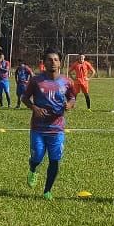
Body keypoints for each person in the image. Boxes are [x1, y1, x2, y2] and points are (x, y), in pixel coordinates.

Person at [21, 48, 76, 200]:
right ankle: (33, 168)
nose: (53, 62)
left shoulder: (66, 82)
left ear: (60, 63)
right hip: (38, 128)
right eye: (49, 60)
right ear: (44, 63)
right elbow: (24, 98)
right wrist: (34, 107)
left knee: (54, 159)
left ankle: (47, 190)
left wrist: (70, 105)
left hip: (57, 128)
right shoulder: (36, 81)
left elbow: (72, 98)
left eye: (56, 60)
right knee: (37, 157)